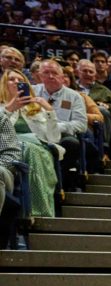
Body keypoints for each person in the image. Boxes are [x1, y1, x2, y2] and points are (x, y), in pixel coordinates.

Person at [0, 69, 59, 218]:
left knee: (29, 149)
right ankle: (32, 211)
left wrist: (50, 111)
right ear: (3, 84)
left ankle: (39, 210)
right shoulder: (1, 108)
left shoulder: (35, 108)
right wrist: (9, 109)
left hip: (37, 148)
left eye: (20, 81)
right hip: (6, 149)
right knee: (25, 148)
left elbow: (53, 138)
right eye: (12, 79)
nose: (17, 83)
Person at [33, 58, 84, 191]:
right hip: (35, 134)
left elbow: (81, 124)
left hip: (62, 136)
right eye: (46, 72)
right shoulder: (32, 91)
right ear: (39, 75)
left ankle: (57, 184)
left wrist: (56, 127)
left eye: (54, 73)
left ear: (62, 77)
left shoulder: (74, 96)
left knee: (72, 143)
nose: (50, 76)